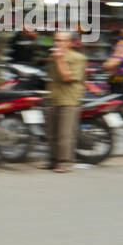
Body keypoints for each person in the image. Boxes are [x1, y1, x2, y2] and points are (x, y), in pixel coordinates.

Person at [46, 29, 86, 173]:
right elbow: (51, 78)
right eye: (56, 40)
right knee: (51, 133)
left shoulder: (78, 58)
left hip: (69, 99)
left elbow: (67, 77)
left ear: (69, 43)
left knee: (65, 134)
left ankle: (65, 162)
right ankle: (53, 159)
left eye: (61, 41)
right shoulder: (52, 57)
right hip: (54, 97)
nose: (58, 43)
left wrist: (59, 59)